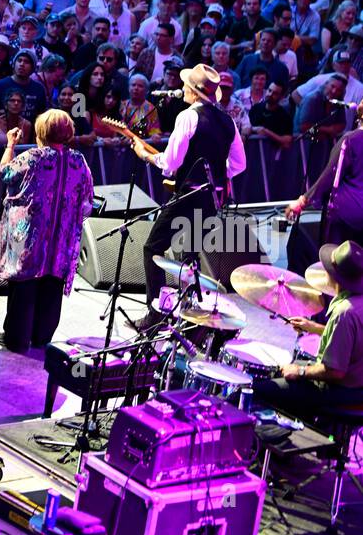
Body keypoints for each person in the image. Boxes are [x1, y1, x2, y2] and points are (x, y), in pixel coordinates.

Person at [131, 64, 246, 327]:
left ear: (193, 91)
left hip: (188, 196)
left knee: (153, 247)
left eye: (186, 85)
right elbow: (240, 165)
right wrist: (216, 175)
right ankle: (190, 315)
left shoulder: (188, 116)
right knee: (190, 255)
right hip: (213, 198)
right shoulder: (227, 121)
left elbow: (170, 163)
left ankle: (155, 314)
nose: (182, 88)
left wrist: (146, 155)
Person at [0, 108, 94, 354]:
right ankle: (41, 337)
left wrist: (10, 145)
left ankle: (16, 339)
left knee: (24, 283)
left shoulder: (34, 157)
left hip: (31, 236)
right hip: (62, 236)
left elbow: (5, 173)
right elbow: (88, 194)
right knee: (52, 283)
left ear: (41, 131)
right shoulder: (78, 159)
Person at [254, 240, 363, 413]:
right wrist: (314, 327)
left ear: (333, 275)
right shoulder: (356, 304)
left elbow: (335, 372)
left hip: (344, 390)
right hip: (356, 382)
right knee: (283, 368)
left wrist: (300, 371)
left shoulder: (345, 313)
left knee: (260, 390)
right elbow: (353, 341)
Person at [285, 100, 363, 245]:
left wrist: (303, 201)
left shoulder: (350, 140)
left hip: (347, 214)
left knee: (337, 260)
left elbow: (331, 175)